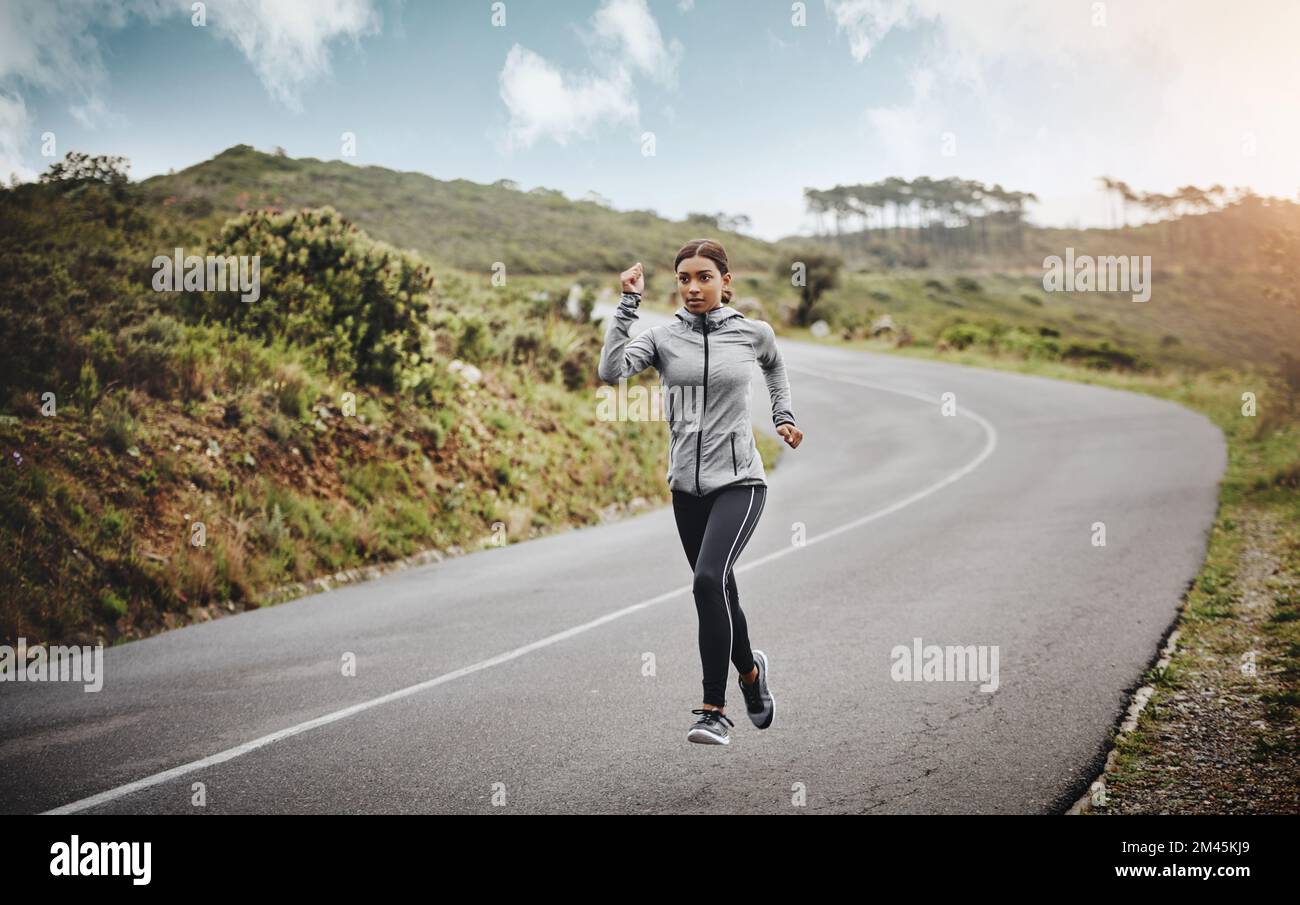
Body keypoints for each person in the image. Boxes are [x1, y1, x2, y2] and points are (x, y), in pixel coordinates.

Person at [597, 238, 804, 746]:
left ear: (725, 283)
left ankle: (714, 709)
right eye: (684, 278)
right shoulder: (663, 337)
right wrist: (627, 305)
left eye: (704, 277)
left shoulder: (753, 334)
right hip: (686, 490)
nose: (693, 287)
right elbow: (611, 372)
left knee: (706, 579)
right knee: (720, 590)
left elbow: (775, 366)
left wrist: (782, 415)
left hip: (740, 482)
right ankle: (752, 676)